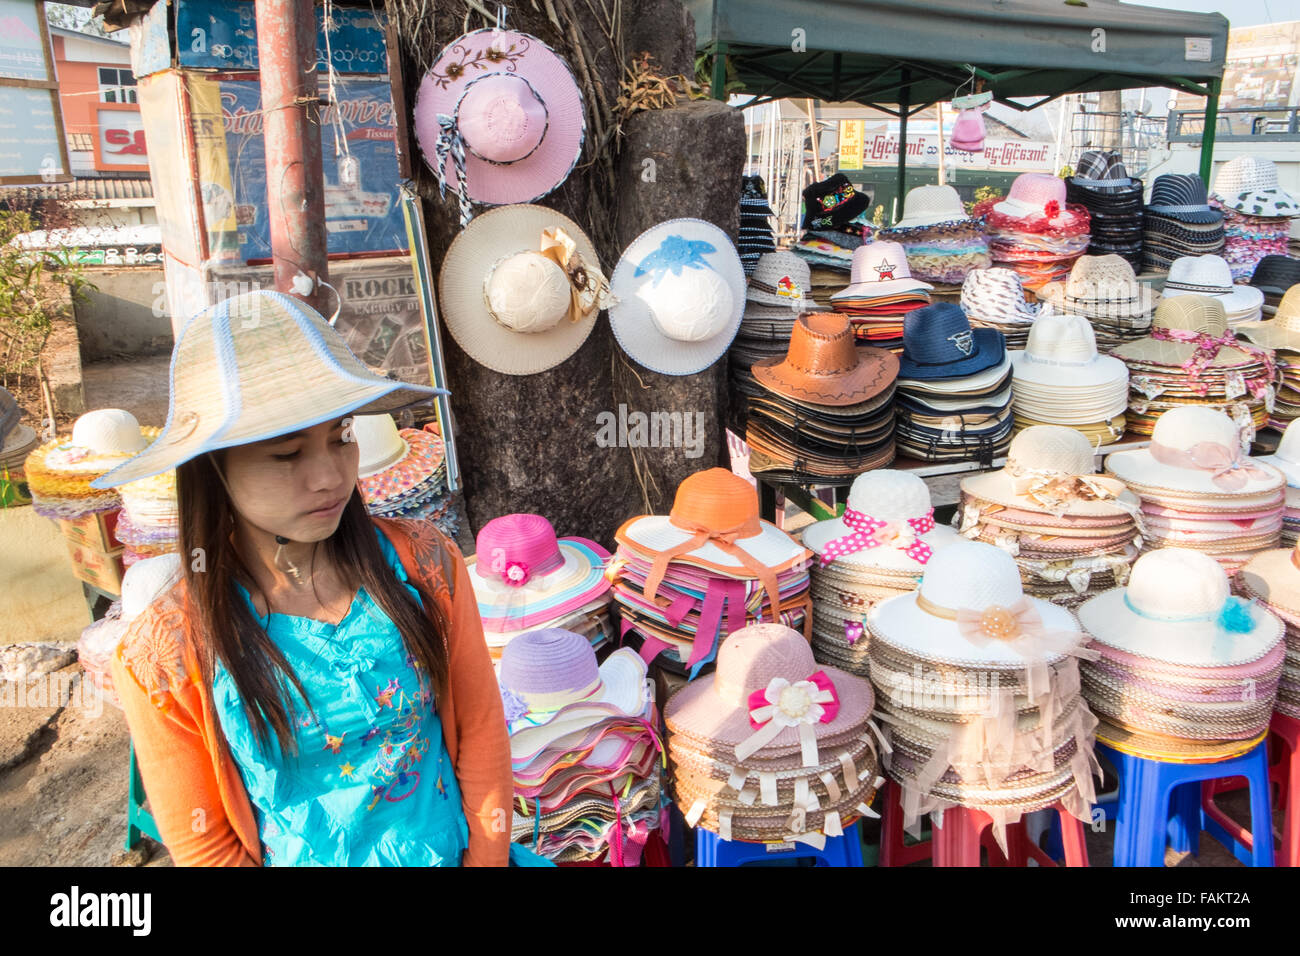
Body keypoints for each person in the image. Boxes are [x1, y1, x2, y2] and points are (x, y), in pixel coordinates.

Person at [94, 290, 515, 866]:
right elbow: (205, 845)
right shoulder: (165, 655)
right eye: (287, 453)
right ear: (214, 466)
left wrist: (486, 858)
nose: (329, 476)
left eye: (341, 437)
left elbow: (481, 726)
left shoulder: (425, 563)